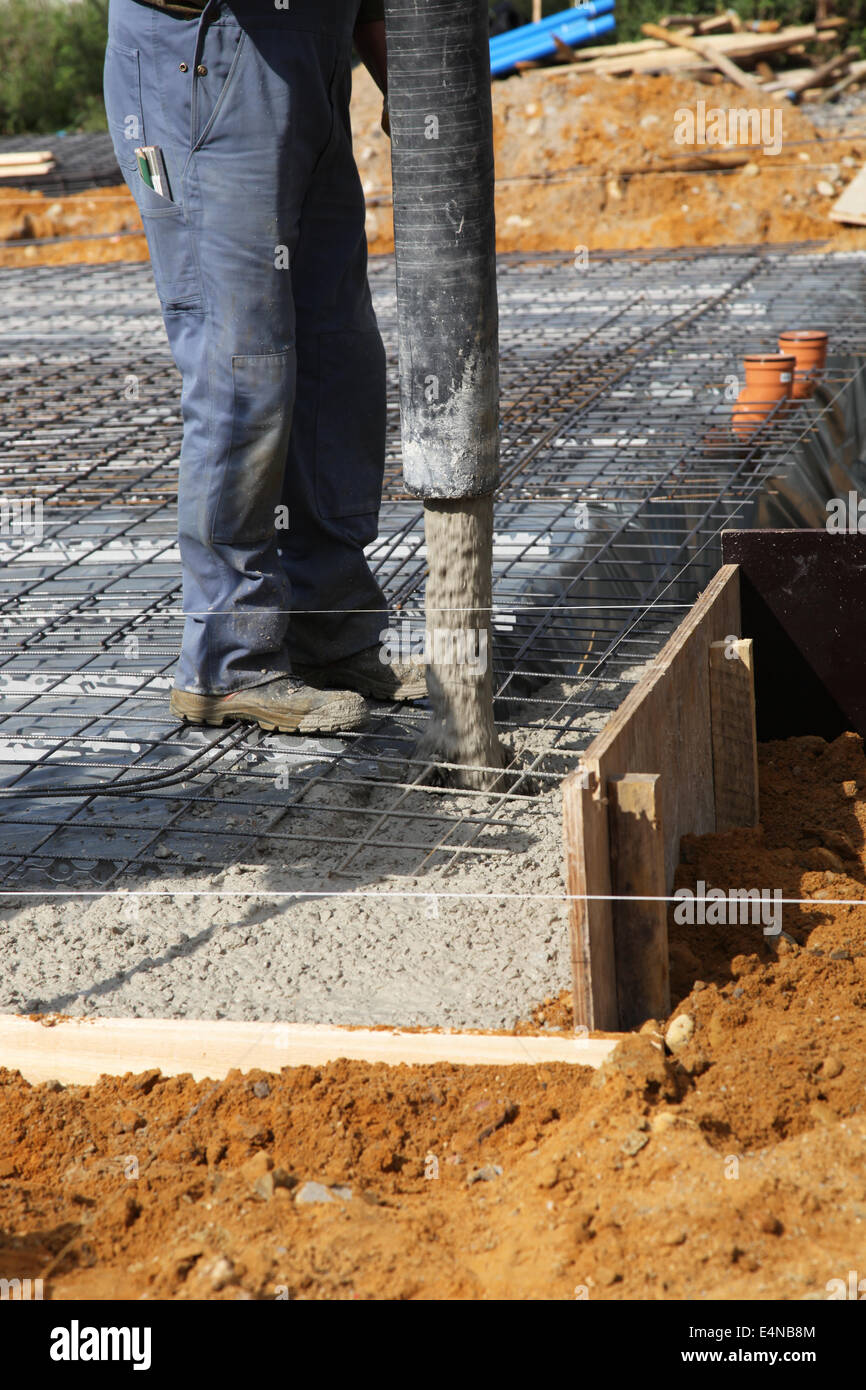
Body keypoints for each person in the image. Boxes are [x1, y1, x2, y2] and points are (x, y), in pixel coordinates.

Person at [103, 0, 425, 734]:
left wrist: (412, 82)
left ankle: (328, 632)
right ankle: (228, 662)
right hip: (206, 60)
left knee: (337, 361)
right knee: (243, 366)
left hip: (312, 65)